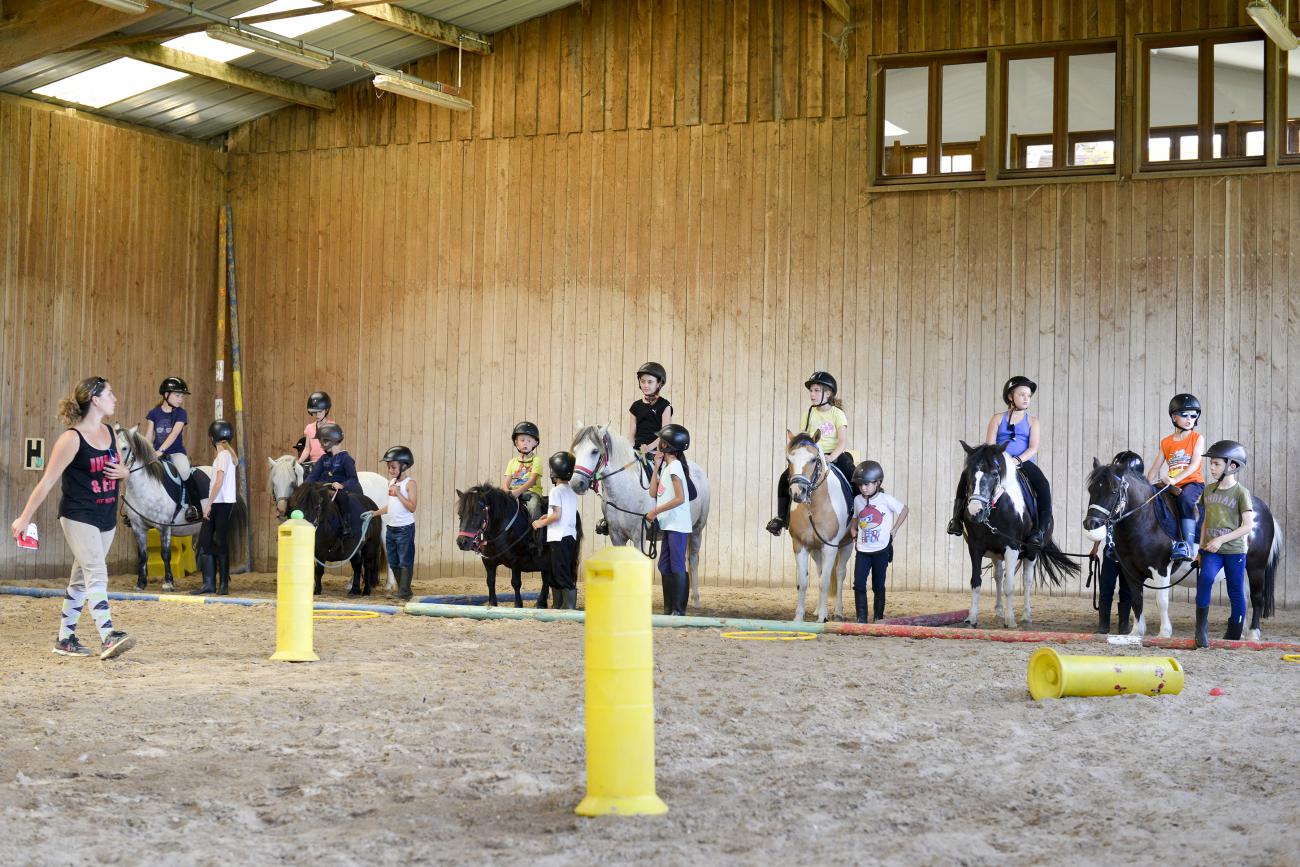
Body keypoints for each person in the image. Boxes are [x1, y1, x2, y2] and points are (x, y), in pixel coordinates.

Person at [10, 376, 135, 660]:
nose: (115, 398)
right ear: (95, 400)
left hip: (106, 514)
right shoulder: (71, 439)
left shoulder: (110, 433)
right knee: (96, 571)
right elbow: (47, 482)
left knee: (81, 580)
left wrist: (125, 473)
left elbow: (120, 467)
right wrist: (24, 517)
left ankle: (65, 639)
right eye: (110, 393)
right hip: (79, 515)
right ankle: (108, 636)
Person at [947, 375, 1053, 552]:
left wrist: (1016, 460)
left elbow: (1033, 448)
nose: (1026, 398)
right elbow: (989, 446)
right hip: (998, 462)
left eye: (1028, 395)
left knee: (1043, 485)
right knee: (966, 476)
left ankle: (1040, 531)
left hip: (1022, 463)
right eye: (1022, 394)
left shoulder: (1033, 422)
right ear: (1011, 396)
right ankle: (956, 519)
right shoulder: (997, 419)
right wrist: (1001, 461)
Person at [766, 371, 856, 536]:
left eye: (816, 390)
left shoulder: (837, 414)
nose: (812, 394)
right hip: (812, 455)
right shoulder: (809, 413)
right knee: (784, 479)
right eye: (811, 391)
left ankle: (857, 517)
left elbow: (842, 442)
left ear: (827, 393)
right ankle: (781, 518)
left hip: (832, 454)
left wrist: (831, 457)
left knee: (854, 476)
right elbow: (805, 437)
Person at [1195, 440, 1254, 647]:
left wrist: (1220, 539)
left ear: (1232, 466)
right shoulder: (1208, 490)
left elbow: (1247, 526)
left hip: (1234, 550)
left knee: (1235, 589)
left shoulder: (1241, 493)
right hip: (1211, 550)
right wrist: (1201, 548)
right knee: (1206, 579)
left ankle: (1235, 630)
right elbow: (1205, 522)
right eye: (1211, 464)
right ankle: (1201, 628)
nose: (1212, 468)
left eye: (1217, 464)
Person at [1149, 392, 1206, 562]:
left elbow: (1195, 464)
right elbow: (1155, 468)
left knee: (1185, 500)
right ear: (1174, 417)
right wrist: (1147, 484)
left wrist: (1175, 479)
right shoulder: (1167, 442)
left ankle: (1187, 546)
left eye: (1193, 416)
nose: (1190, 419)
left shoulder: (1197, 438)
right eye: (1184, 415)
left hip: (1192, 482)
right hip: (1171, 483)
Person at [1088, 450, 1140, 635]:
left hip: (1129, 556)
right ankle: (1103, 625)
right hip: (1111, 551)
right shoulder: (1113, 503)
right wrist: (1095, 547)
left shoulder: (1135, 506)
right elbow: (1104, 525)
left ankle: (1124, 624)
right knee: (1106, 587)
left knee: (1126, 590)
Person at [850, 461, 908, 624]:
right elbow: (856, 517)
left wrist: (895, 529)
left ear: (878, 483)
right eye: (860, 485)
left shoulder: (886, 499)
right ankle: (861, 618)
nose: (863, 488)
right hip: (862, 549)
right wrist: (853, 529)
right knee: (859, 584)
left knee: (878, 585)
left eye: (867, 485)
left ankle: (878, 618)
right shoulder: (857, 500)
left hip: (881, 550)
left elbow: (904, 509)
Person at [646, 424, 694, 616]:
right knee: (664, 565)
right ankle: (669, 608)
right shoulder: (667, 467)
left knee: (676, 565)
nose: (658, 444)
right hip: (668, 524)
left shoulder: (675, 468)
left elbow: (680, 498)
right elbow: (652, 492)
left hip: (677, 525)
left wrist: (656, 511)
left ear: (667, 446)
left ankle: (679, 610)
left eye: (661, 441)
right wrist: (656, 467)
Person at [141, 376, 202, 521]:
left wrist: (161, 450)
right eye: (177, 395)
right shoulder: (153, 413)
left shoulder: (181, 413)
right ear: (166, 394)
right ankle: (137, 510)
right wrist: (146, 452)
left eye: (182, 396)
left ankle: (195, 507)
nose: (181, 399)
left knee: (185, 471)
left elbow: (174, 433)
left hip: (175, 453)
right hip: (155, 453)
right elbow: (149, 435)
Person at [366, 446, 418, 601]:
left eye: (393, 467)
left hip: (404, 528)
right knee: (394, 560)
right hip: (392, 528)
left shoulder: (410, 484)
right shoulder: (391, 483)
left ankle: (405, 591)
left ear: (404, 466)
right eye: (389, 467)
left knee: (404, 560)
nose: (390, 470)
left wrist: (399, 493)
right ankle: (402, 589)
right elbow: (391, 506)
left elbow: (412, 507)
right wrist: (375, 513)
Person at [193, 420, 238, 596]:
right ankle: (217, 584)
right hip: (225, 503)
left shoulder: (222, 456)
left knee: (212, 540)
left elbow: (218, 482)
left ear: (212, 438)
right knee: (214, 541)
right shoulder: (228, 456)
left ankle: (215, 584)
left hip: (219, 503)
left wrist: (208, 504)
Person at [304, 422, 365, 549]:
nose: (320, 445)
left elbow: (353, 479)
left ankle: (346, 526)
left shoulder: (345, 459)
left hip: (340, 491)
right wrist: (304, 488)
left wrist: (342, 485)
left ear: (331, 441)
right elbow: (312, 476)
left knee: (341, 497)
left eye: (322, 442)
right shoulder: (323, 459)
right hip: (325, 489)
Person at [533, 451, 580, 610]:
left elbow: (557, 516)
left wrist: (541, 523)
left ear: (554, 472)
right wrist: (549, 515)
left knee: (559, 572)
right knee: (562, 570)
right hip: (570, 536)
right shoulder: (571, 490)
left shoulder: (555, 491)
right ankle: (559, 603)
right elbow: (564, 512)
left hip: (558, 537)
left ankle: (568, 606)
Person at [503, 421, 544, 522]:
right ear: (516, 442)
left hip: (531, 492)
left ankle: (535, 533)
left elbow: (533, 480)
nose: (525, 443)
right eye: (522, 440)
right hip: (512, 492)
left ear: (535, 443)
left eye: (529, 441)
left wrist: (517, 492)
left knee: (533, 506)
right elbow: (506, 482)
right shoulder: (512, 462)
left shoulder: (536, 459)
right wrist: (505, 491)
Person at [297, 391, 336, 467]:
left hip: (327, 463)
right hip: (313, 464)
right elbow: (307, 449)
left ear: (326, 410)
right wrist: (298, 463)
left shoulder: (332, 426)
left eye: (320, 411)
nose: (317, 415)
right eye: (315, 412)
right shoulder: (309, 427)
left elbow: (334, 448)